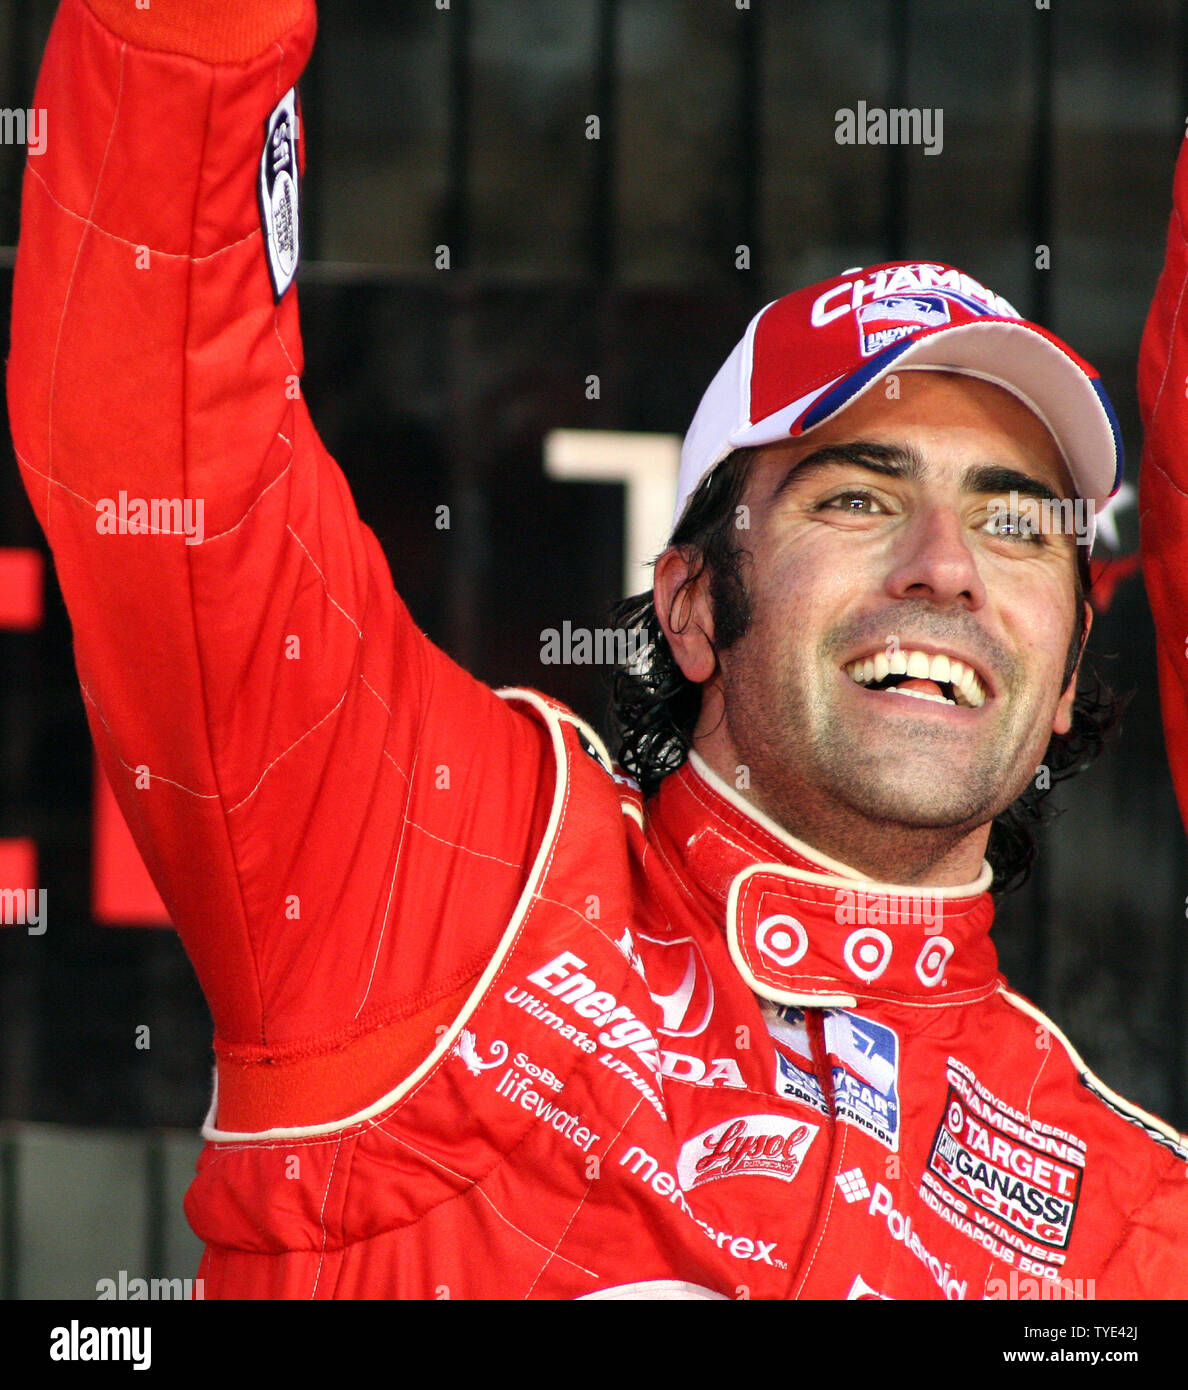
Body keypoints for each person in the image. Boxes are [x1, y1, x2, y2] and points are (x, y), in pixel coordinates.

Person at [8, 0, 1188, 1300]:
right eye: (855, 495)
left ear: (1073, 665)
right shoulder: (437, 878)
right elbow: (166, 428)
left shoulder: (1134, 1229)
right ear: (689, 601)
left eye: (1016, 524)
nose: (945, 566)